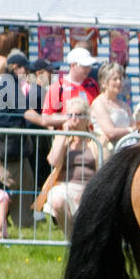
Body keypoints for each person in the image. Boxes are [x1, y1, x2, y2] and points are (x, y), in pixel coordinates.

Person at [45, 98, 100, 238]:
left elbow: (103, 170)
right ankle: (72, 241)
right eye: (70, 115)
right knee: (57, 202)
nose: (74, 119)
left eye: (78, 115)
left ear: (87, 118)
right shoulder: (62, 137)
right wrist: (64, 135)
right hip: (65, 186)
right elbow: (53, 161)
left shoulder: (97, 140)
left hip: (89, 187)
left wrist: (89, 191)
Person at [42, 47, 100, 127]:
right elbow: (46, 118)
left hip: (90, 136)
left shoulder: (93, 84)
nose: (88, 69)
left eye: (89, 66)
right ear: (73, 65)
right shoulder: (58, 87)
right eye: (84, 66)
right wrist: (71, 118)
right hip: (68, 136)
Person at [89, 61, 134, 147]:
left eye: (120, 78)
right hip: (107, 151)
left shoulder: (124, 105)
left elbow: (135, 125)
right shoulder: (99, 103)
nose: (119, 82)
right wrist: (130, 130)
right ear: (103, 83)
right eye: (115, 79)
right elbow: (110, 132)